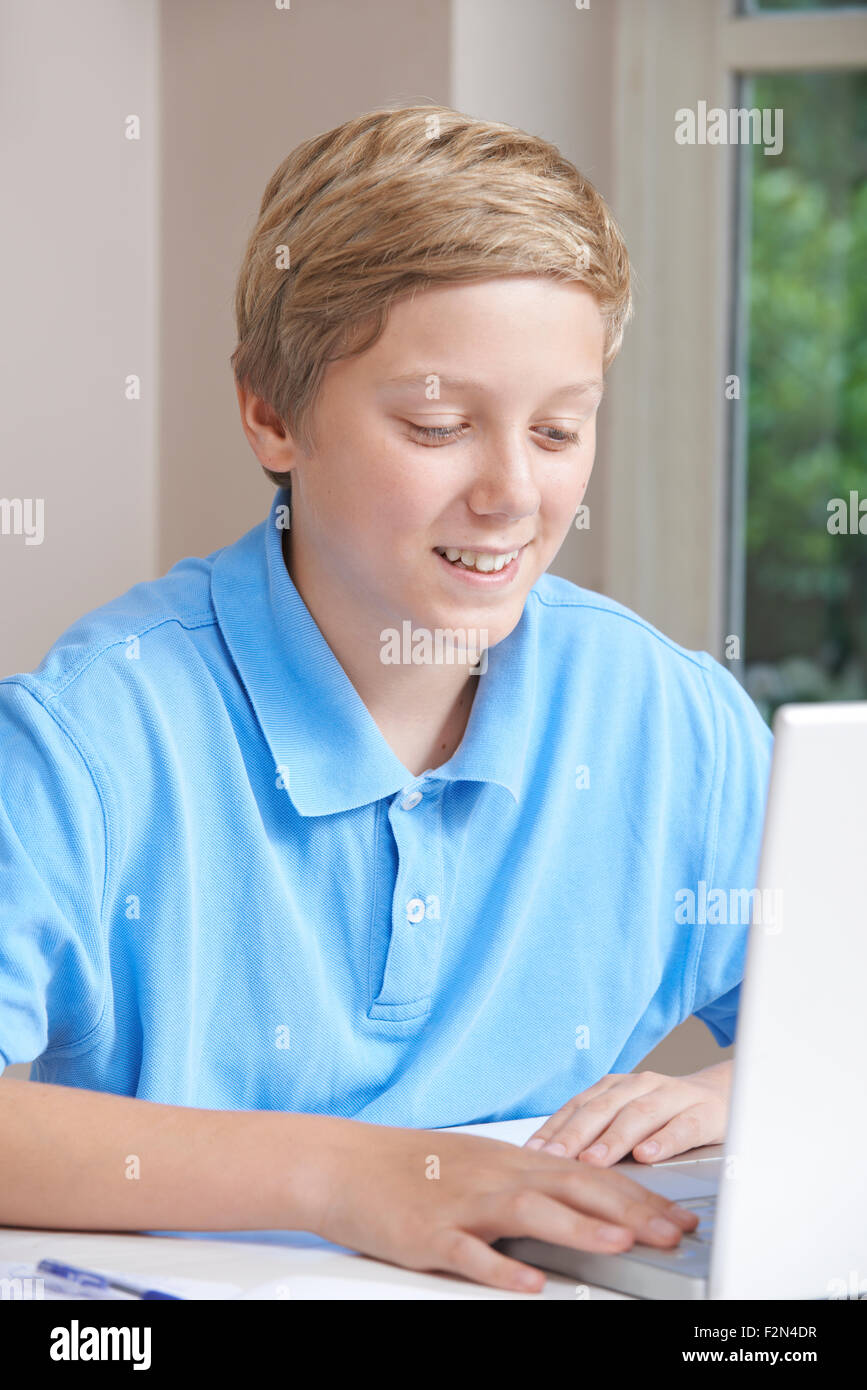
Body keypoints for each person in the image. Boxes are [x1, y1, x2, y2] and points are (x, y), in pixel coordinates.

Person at [0, 104, 772, 1293]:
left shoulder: (676, 725)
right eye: (438, 425)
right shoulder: (86, 741)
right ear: (272, 412)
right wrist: (352, 1175)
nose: (514, 494)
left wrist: (726, 1091)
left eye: (561, 428)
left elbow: (843, 1018)